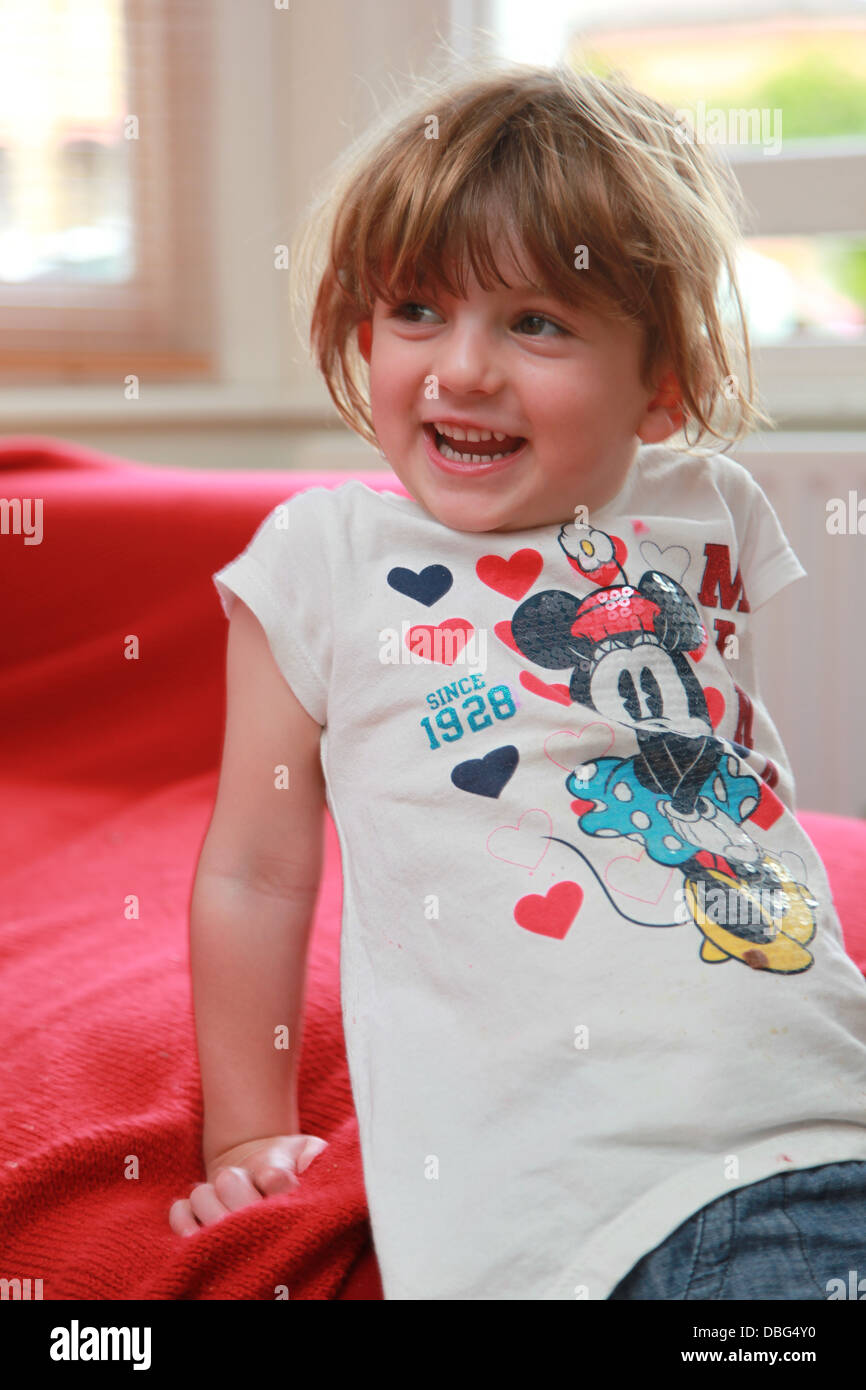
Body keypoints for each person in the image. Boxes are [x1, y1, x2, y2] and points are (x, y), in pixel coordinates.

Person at [168, 58, 866, 1300]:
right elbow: (254, 867)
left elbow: (734, 772)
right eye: (417, 312)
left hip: (802, 1129)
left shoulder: (708, 509)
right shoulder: (320, 561)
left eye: (535, 322)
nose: (464, 370)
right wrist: (242, 1128)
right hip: (564, 1189)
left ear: (659, 385)